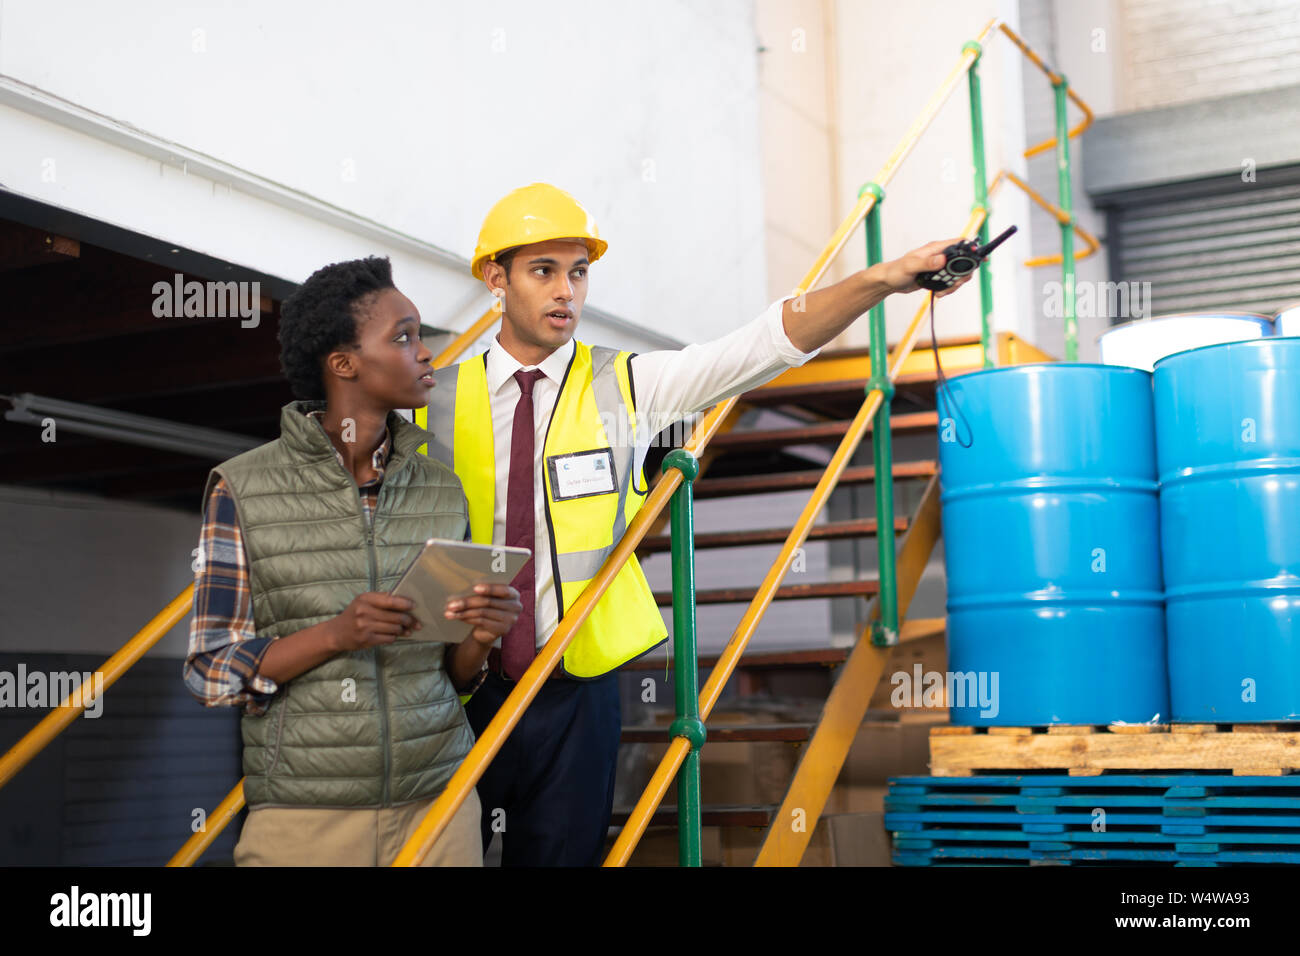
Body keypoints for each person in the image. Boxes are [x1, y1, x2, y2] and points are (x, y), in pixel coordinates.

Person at [424, 182, 972, 866]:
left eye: (578, 272)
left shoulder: (626, 384)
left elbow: (767, 343)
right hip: (462, 684)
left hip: (577, 688)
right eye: (543, 271)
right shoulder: (434, 400)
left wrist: (883, 279)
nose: (566, 291)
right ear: (495, 279)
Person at [183, 256, 521, 866]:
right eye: (403, 337)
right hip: (307, 820)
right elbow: (212, 671)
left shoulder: (442, 488)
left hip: (440, 808)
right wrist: (337, 635)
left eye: (420, 334)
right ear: (343, 364)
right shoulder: (242, 487)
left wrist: (480, 635)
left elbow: (452, 675)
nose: (426, 352)